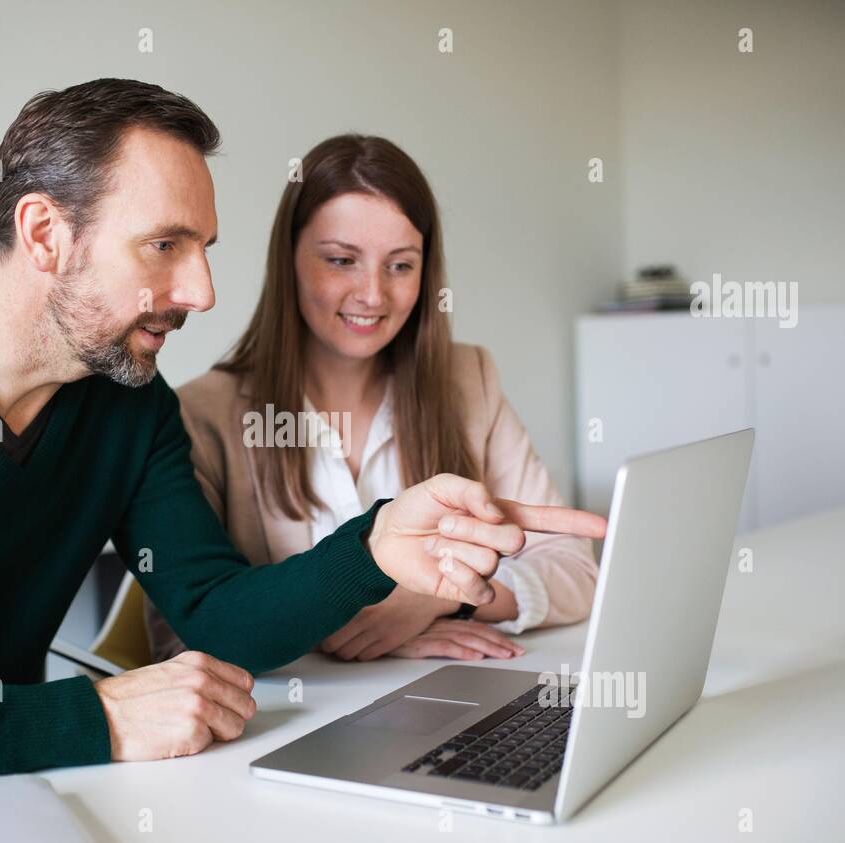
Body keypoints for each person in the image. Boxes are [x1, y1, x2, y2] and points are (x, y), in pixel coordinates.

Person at [0, 80, 606, 817]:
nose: (200, 290)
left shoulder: (128, 404)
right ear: (44, 232)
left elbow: (214, 615)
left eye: (203, 247)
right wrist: (94, 718)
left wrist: (371, 550)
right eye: (164, 245)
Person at [147, 134, 600, 664]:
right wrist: (365, 624)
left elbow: (573, 571)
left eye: (401, 265)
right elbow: (182, 639)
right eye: (341, 260)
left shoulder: (468, 378)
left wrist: (437, 600)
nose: (372, 294)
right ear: (288, 259)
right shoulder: (202, 414)